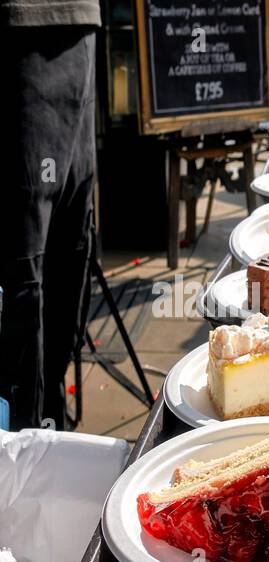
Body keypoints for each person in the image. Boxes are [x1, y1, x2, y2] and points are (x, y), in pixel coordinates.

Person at [0, 0, 100, 430]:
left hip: (80, 26)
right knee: (26, 263)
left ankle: (49, 419)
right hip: (18, 32)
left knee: (71, 246)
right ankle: (24, 434)